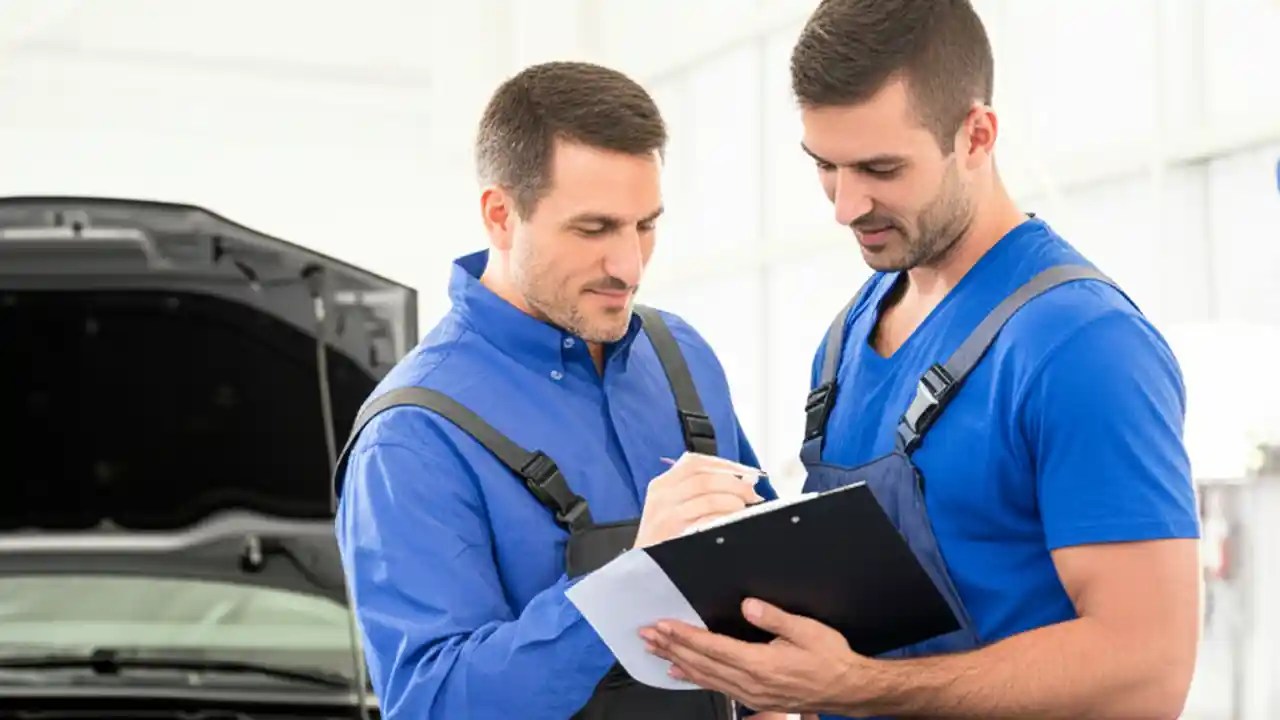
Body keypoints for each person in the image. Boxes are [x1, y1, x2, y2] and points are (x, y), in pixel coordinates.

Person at [642, 1, 1202, 718]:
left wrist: (857, 688)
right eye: (826, 167)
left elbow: (1147, 669)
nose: (846, 206)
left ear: (976, 135)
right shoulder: (848, 336)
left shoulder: (1082, 345)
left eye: (880, 168)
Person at [331, 61, 783, 720]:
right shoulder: (411, 438)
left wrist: (778, 694)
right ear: (501, 216)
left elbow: (765, 568)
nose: (628, 266)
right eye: (594, 229)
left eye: (645, 225)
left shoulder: (679, 355)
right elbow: (432, 703)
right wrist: (632, 578)